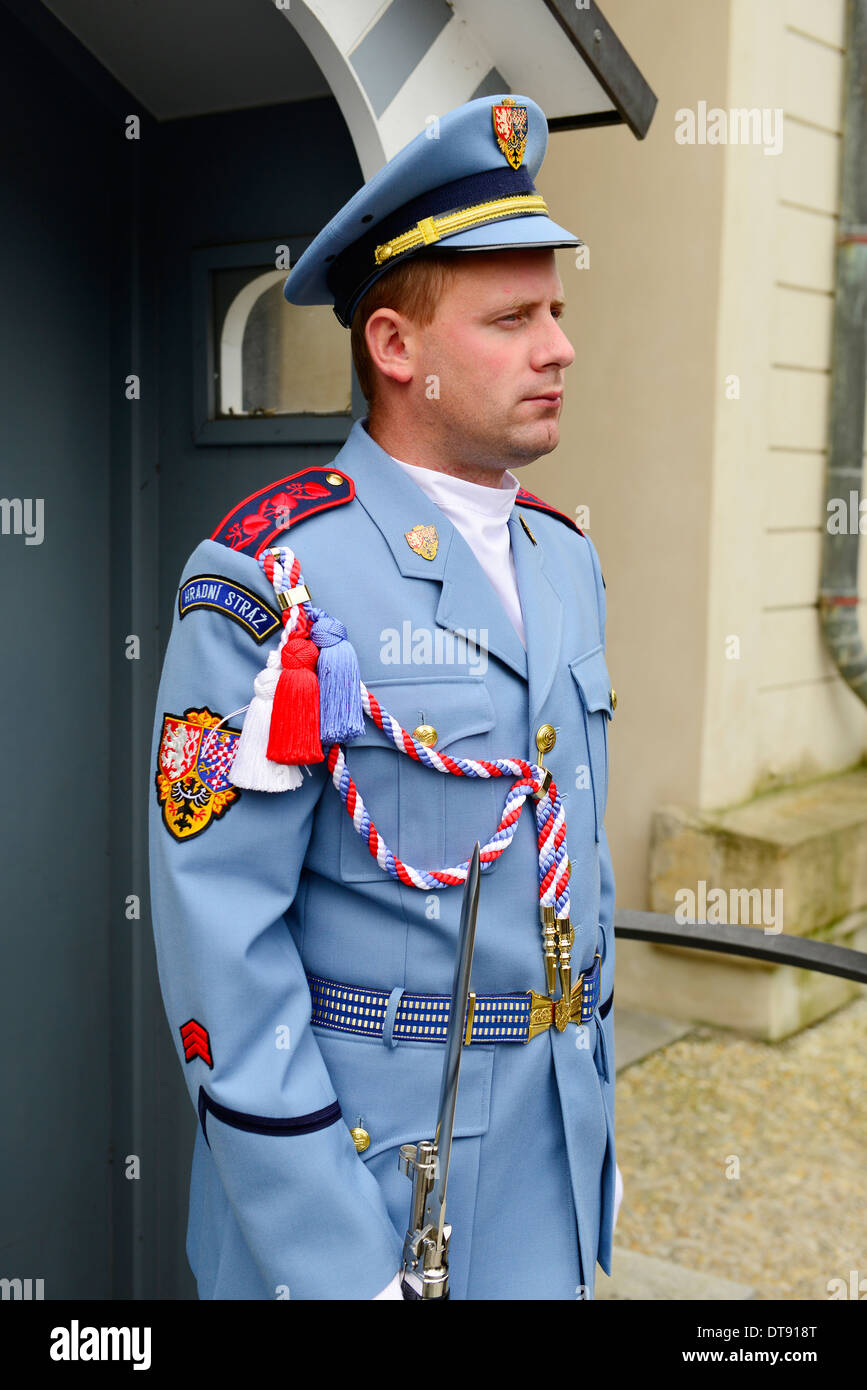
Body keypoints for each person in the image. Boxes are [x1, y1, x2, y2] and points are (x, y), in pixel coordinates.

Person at [149, 93, 621, 1301]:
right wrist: (339, 1262)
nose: (558, 347)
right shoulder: (274, 574)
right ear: (395, 348)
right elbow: (223, 955)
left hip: (546, 1172)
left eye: (556, 312)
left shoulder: (565, 557)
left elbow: (578, 870)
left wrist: (595, 1146)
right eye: (512, 318)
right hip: (368, 1194)